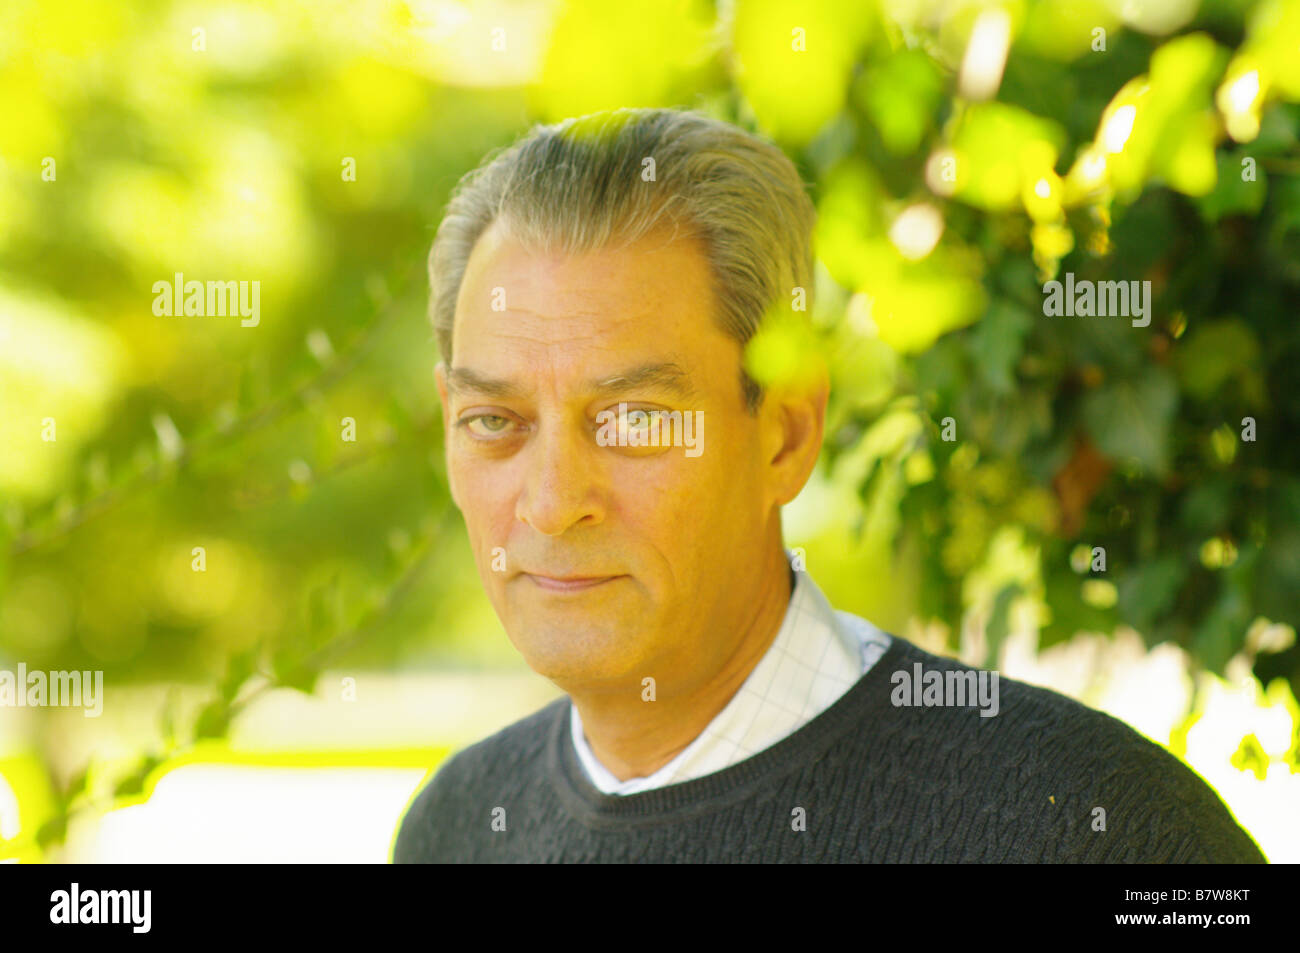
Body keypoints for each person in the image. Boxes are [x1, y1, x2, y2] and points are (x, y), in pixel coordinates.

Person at [392, 107, 1265, 863]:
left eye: (635, 418)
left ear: (787, 433)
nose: (550, 501)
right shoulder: (457, 828)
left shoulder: (1095, 830)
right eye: (495, 422)